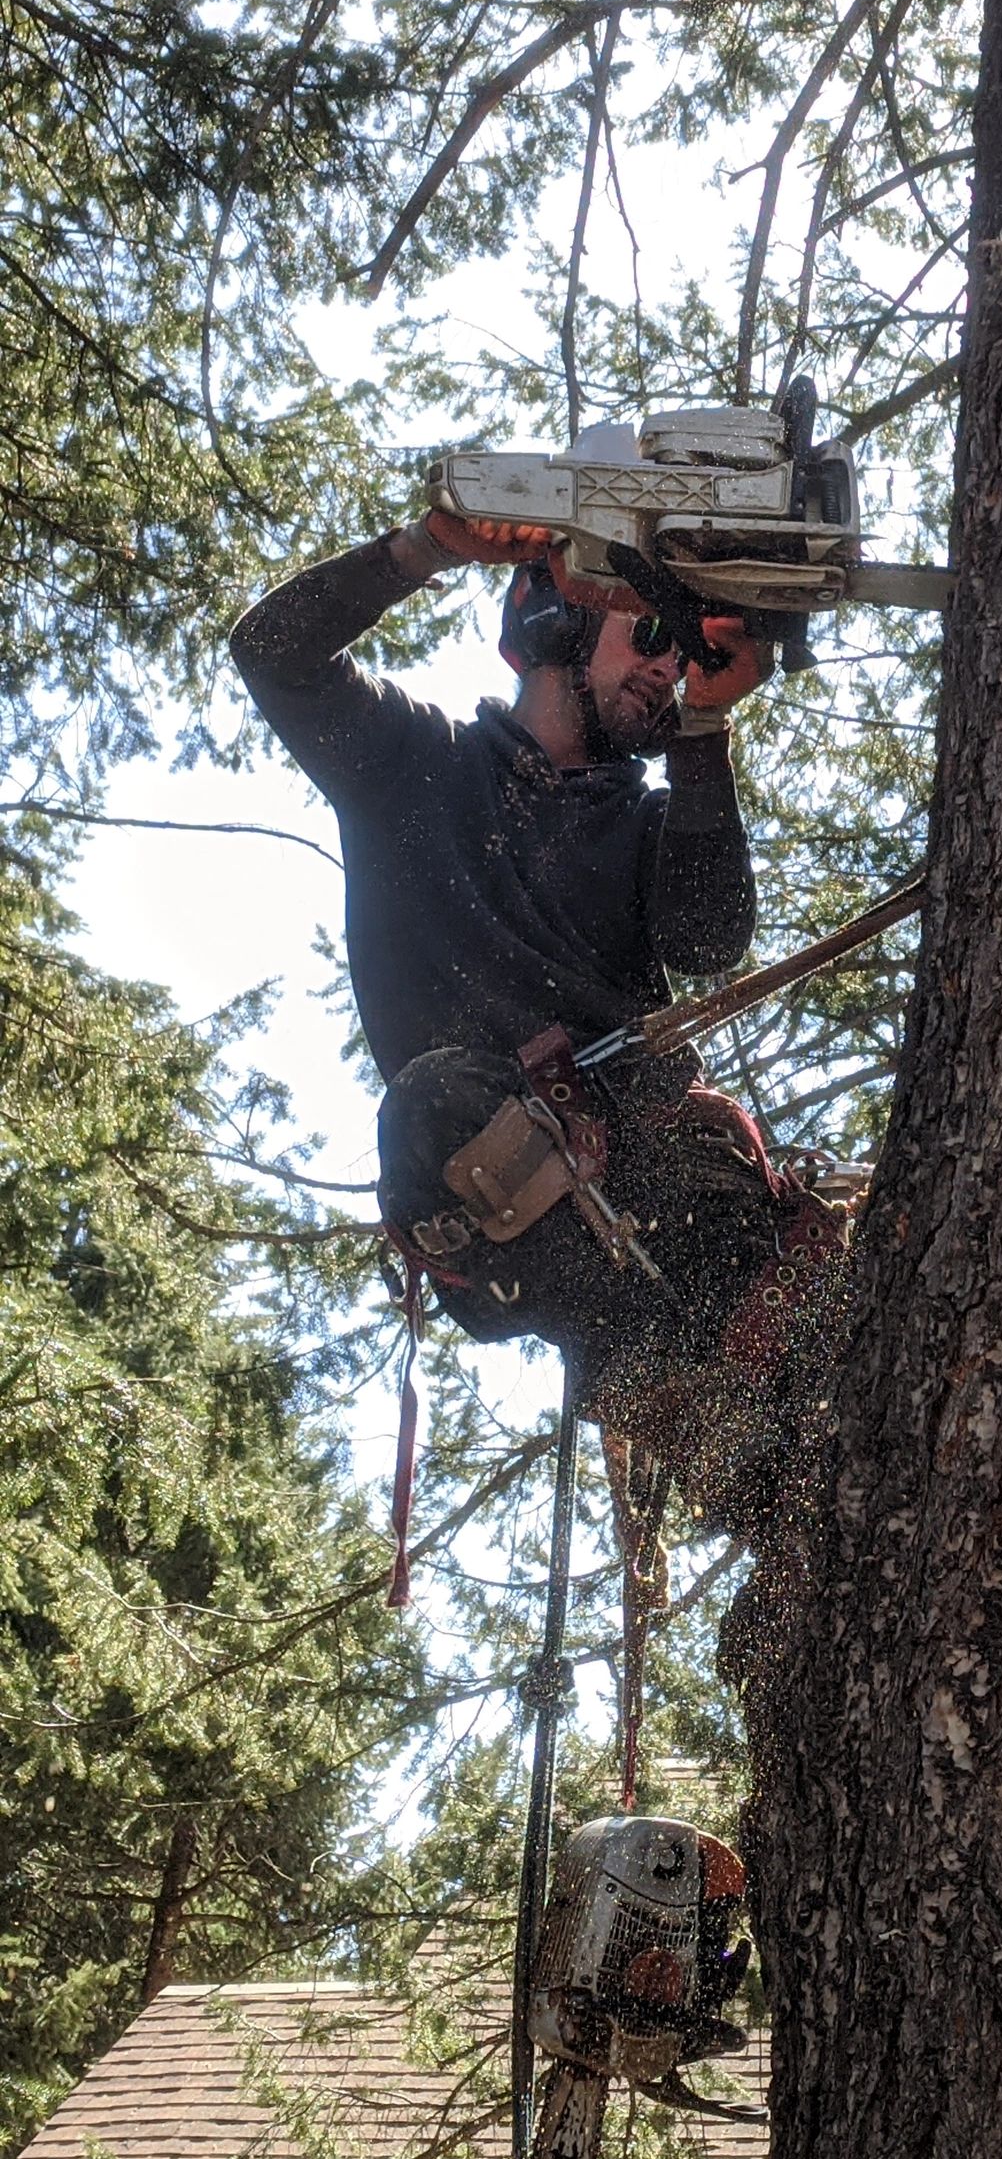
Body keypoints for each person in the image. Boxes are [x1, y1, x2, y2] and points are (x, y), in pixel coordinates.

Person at [229, 503, 847, 1532]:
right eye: (651, 634)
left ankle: (790, 1497)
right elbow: (273, 651)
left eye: (684, 652)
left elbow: (705, 941)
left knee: (806, 1382)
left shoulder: (652, 824)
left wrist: (705, 726)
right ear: (558, 623)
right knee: (443, 1102)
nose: (667, 667)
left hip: (664, 1191)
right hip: (497, 1192)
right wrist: (429, 548)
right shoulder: (410, 766)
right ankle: (684, 1395)